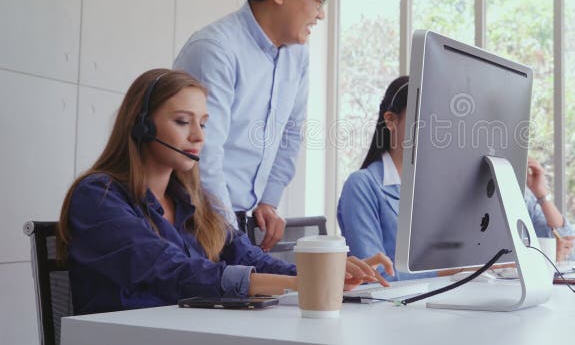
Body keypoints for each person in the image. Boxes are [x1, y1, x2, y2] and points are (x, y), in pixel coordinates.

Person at [56, 69, 392, 315]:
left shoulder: (193, 202)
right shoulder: (98, 197)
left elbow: (247, 257)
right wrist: (298, 284)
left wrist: (326, 273)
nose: (198, 136)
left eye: (203, 123)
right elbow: (176, 272)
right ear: (142, 126)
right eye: (183, 121)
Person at [174, 0, 333, 251]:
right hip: (194, 220)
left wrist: (268, 200)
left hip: (238, 222)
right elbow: (204, 156)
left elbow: (290, 134)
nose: (321, 14)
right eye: (319, 0)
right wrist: (233, 241)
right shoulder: (216, 50)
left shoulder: (297, 56)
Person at [337, 76, 575, 281]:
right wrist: (466, 269)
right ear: (391, 121)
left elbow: (564, 245)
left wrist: (541, 196)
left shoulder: (444, 186)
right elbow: (373, 276)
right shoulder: (363, 186)